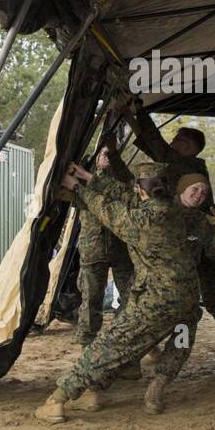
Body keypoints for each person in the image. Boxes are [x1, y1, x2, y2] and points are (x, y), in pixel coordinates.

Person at [36, 164, 201, 423]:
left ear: (141, 190)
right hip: (188, 299)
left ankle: (59, 399)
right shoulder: (175, 209)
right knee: (180, 341)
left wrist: (76, 187)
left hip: (155, 301)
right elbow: (123, 194)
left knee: (111, 346)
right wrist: (88, 176)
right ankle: (158, 385)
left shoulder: (140, 221)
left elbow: (107, 209)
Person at [128, 105, 215, 366]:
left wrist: (134, 112)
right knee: (176, 296)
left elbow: (154, 142)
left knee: (205, 297)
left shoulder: (186, 165)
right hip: (193, 247)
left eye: (179, 140)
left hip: (206, 250)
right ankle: (152, 349)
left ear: (190, 148)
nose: (173, 142)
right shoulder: (184, 166)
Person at [147, 174, 215, 405]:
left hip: (185, 295)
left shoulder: (202, 221)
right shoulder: (159, 211)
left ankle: (159, 384)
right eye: (194, 189)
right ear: (181, 189)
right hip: (151, 293)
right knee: (131, 338)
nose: (199, 195)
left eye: (204, 192)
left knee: (183, 338)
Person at [74, 144, 134, 348]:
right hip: (93, 247)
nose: (105, 157)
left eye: (110, 154)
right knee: (91, 300)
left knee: (130, 299)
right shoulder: (83, 177)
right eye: (102, 153)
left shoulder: (122, 177)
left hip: (121, 247)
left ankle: (124, 345)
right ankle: (87, 349)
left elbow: (127, 195)